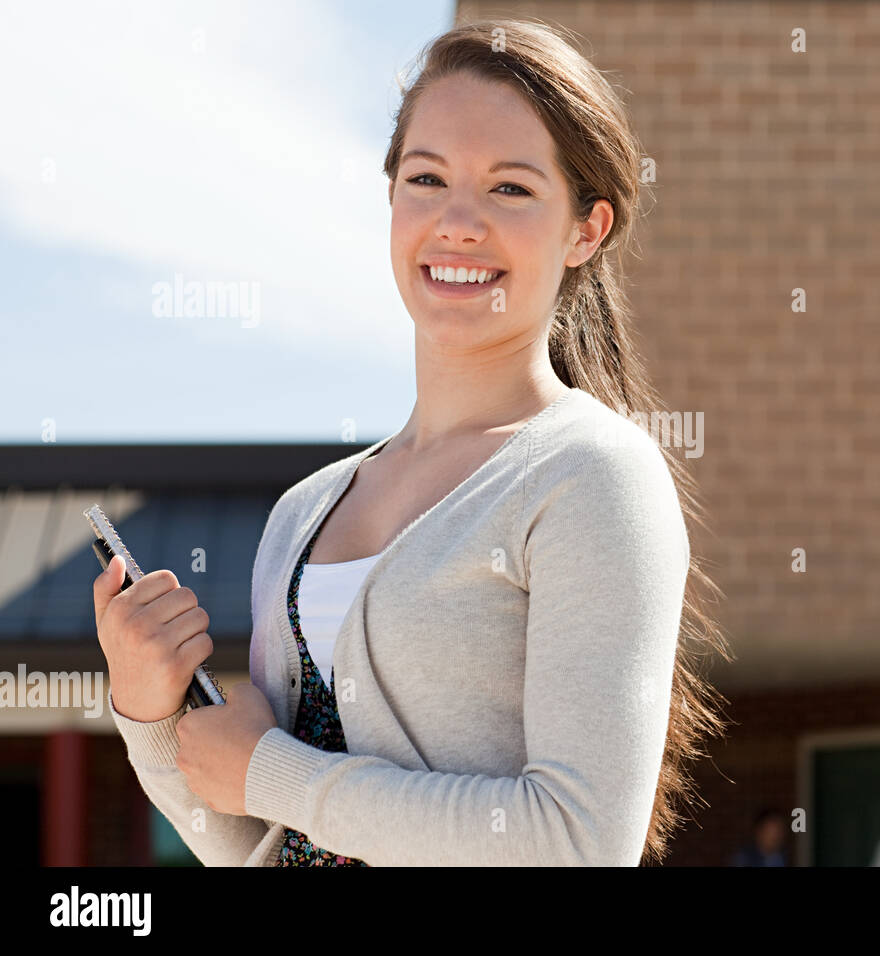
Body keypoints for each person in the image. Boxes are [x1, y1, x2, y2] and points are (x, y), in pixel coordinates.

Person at [92, 17, 732, 867]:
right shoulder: (302, 513)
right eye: (426, 178)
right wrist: (148, 711)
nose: (457, 222)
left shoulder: (595, 476)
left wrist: (274, 772)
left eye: (509, 189)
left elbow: (578, 844)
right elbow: (250, 842)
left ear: (586, 230)